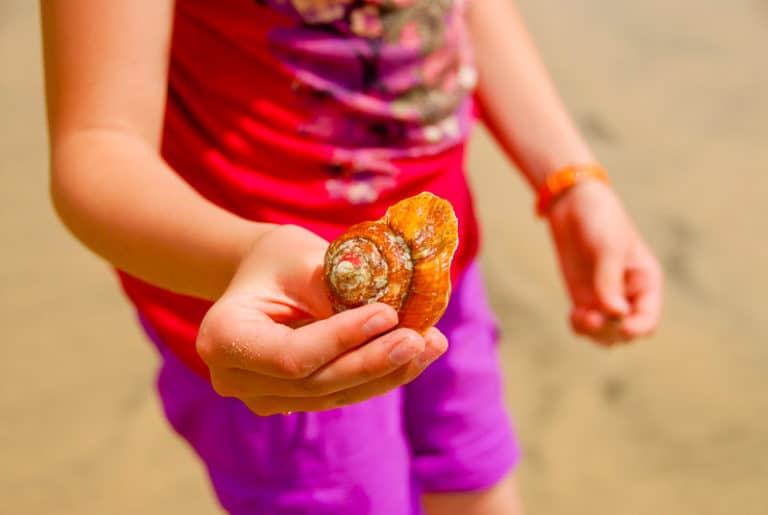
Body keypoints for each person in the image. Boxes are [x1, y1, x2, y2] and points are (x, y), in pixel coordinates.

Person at [41, 0, 663, 513]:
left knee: (477, 484)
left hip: (443, 275)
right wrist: (244, 253)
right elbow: (97, 145)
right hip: (282, 332)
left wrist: (570, 180)